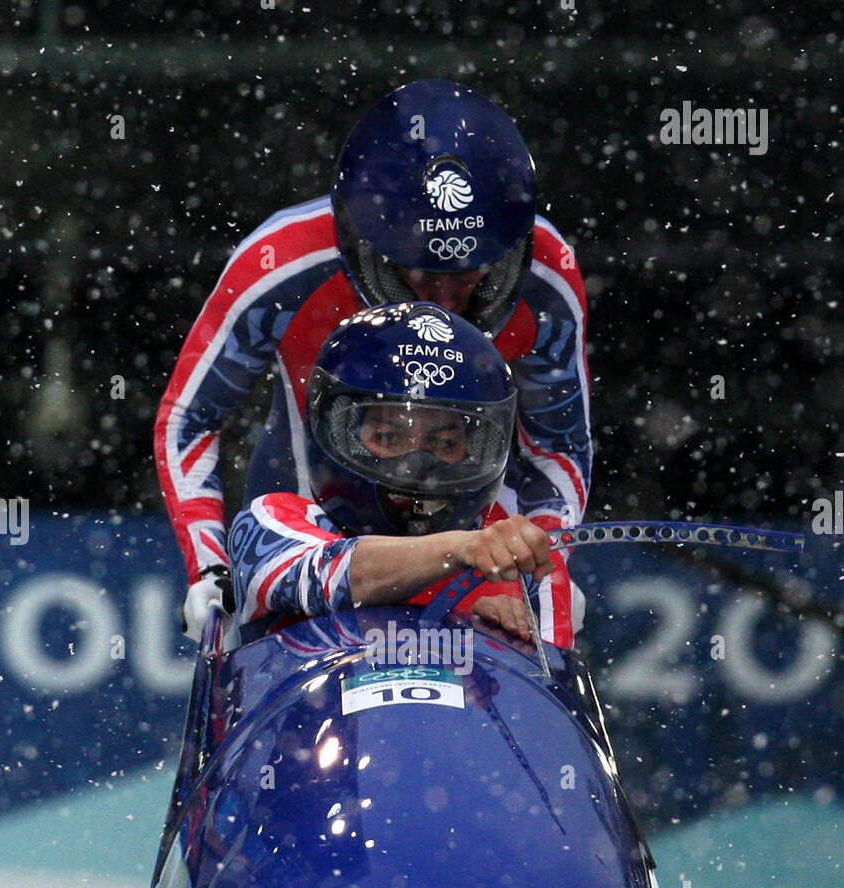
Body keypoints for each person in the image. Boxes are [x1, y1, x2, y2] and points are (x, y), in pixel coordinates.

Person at [157, 79, 591, 639]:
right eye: (422, 274)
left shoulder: (547, 281)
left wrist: (542, 569)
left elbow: (557, 443)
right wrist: (211, 568)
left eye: (467, 275)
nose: (444, 299)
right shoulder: (279, 266)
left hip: (479, 543)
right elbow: (191, 416)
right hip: (311, 534)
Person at [227, 302, 573, 646]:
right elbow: (332, 576)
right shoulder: (270, 521)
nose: (417, 463)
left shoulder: (518, 551)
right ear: (341, 430)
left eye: (444, 442)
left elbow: (550, 690)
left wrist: (495, 647)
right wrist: (460, 559)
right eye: (388, 437)